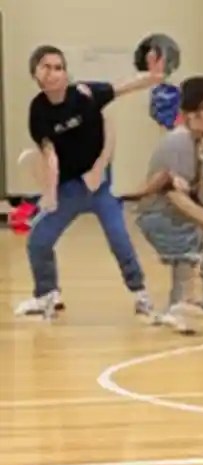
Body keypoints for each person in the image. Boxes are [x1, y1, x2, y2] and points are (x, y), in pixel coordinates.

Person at [13, 46, 163, 319]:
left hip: (99, 184)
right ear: (35, 73)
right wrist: (50, 194)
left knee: (119, 239)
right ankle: (47, 295)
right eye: (46, 67)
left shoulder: (85, 94)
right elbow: (50, 155)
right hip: (68, 188)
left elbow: (122, 89)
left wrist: (151, 78)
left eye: (59, 67)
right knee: (38, 240)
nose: (53, 73)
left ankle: (140, 293)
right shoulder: (38, 110)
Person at [134, 76, 203, 334]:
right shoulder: (178, 141)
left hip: (178, 210)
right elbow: (175, 197)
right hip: (158, 214)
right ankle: (177, 306)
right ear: (198, 111)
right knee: (190, 243)